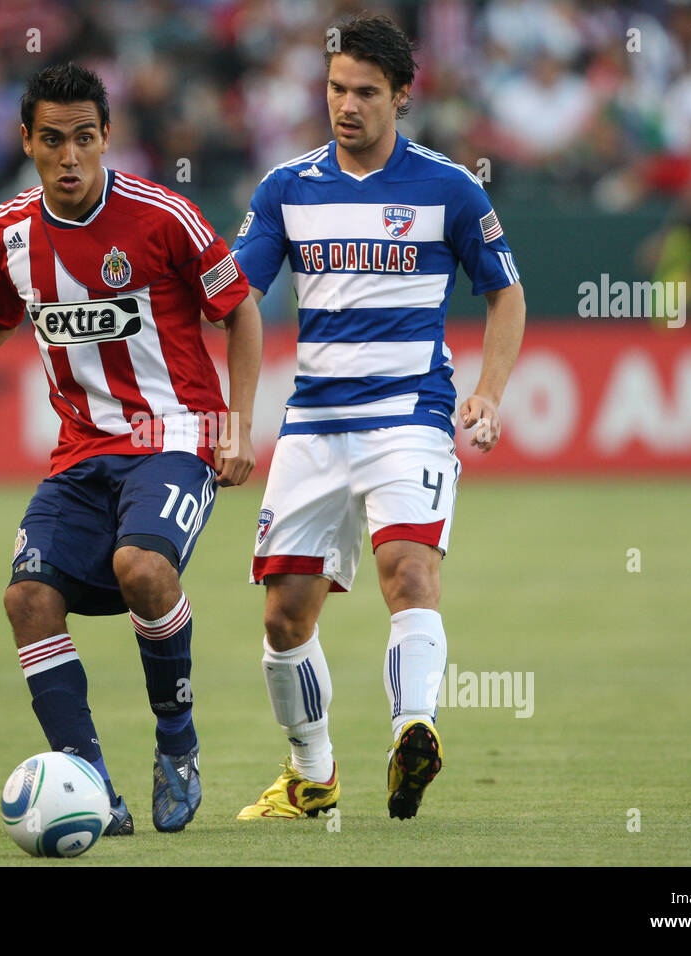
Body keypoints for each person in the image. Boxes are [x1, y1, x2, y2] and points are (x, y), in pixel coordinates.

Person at [0, 63, 261, 835]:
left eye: (84, 139)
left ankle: (177, 743)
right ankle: (91, 786)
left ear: (107, 136)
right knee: (26, 599)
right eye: (52, 141)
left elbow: (240, 309)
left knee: (141, 568)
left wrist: (238, 424)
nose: (69, 157)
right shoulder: (8, 232)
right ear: (26, 142)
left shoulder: (163, 215)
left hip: (172, 436)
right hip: (80, 454)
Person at [230, 14, 525, 821]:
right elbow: (237, 300)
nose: (346, 105)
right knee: (285, 614)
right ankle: (313, 774)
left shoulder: (450, 188)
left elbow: (506, 293)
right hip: (315, 421)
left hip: (411, 414)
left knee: (410, 574)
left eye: (365, 92)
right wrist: (231, 414)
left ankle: (412, 731)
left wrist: (489, 391)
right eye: (335, 89)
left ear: (402, 95)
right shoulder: (286, 188)